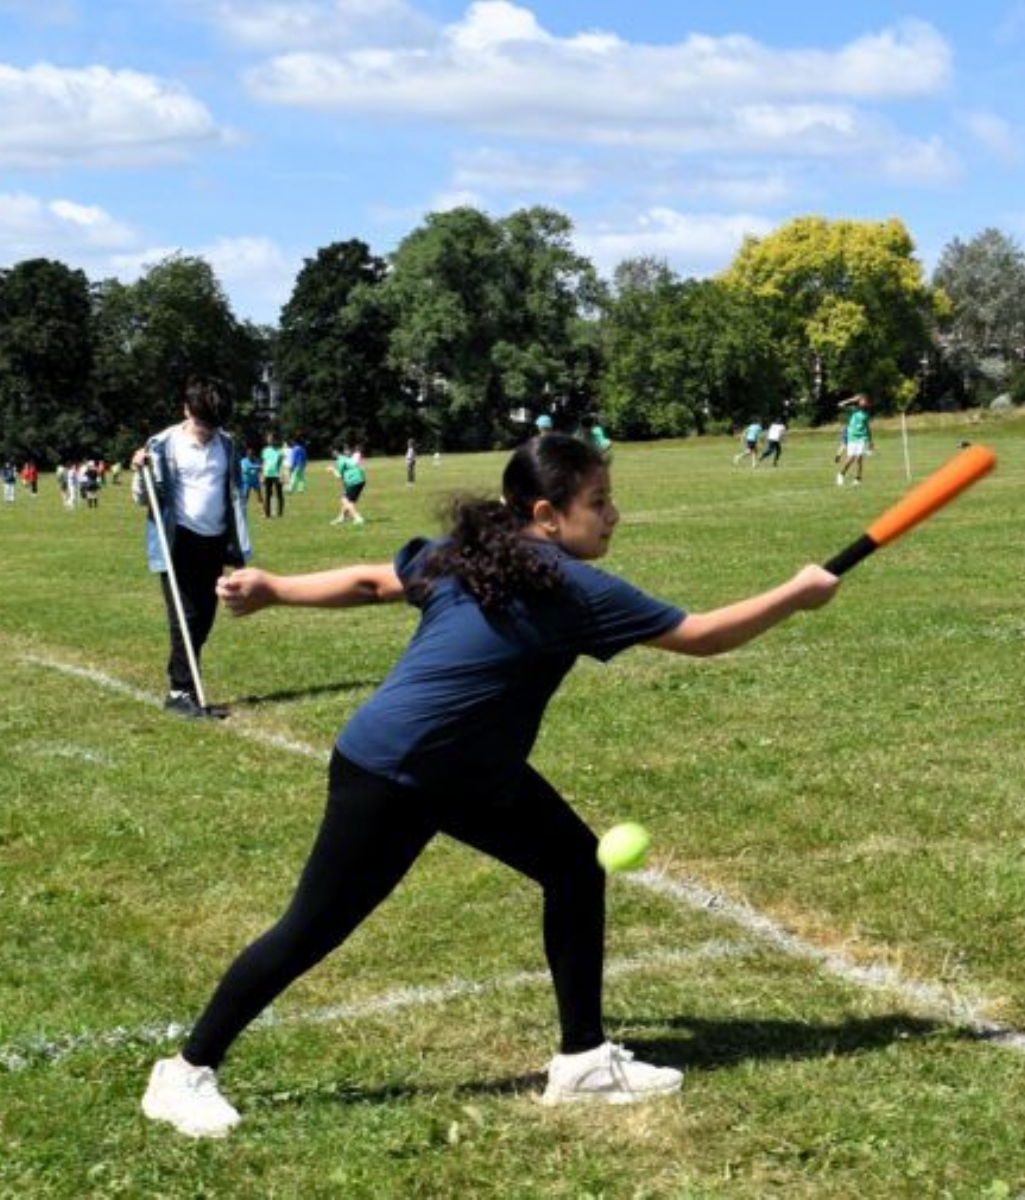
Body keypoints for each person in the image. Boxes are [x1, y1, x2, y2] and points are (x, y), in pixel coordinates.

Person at [139, 433, 840, 1138]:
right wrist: (797, 593)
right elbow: (704, 635)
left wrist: (274, 589)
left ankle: (584, 1060)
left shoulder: (478, 556)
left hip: (474, 771)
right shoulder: (572, 584)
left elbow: (373, 582)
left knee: (572, 866)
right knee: (311, 928)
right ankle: (186, 1070)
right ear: (546, 513)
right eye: (598, 503)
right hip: (398, 770)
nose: (613, 516)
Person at [130, 380, 252, 718]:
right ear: (187, 410)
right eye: (203, 424)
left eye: (214, 425)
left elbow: (234, 495)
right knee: (184, 616)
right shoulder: (162, 445)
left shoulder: (227, 445)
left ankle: (182, 686)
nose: (208, 432)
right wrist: (140, 472)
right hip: (178, 541)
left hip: (214, 542)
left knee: (205, 616)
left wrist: (239, 544)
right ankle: (179, 691)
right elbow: (142, 498)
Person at [836, 395, 873, 486]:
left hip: (862, 438)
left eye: (865, 401)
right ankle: (841, 474)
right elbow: (840, 405)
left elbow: (867, 428)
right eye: (862, 401)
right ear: (859, 402)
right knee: (851, 458)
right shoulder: (853, 410)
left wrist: (870, 441)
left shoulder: (866, 414)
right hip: (852, 437)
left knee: (859, 458)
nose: (863, 403)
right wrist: (851, 399)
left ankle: (858, 478)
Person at [328, 445, 366, 526]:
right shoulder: (346, 458)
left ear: (336, 452)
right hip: (360, 480)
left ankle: (358, 518)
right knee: (347, 499)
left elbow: (339, 476)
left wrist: (332, 469)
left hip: (354, 481)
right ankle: (342, 517)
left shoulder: (340, 460)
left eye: (332, 453)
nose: (332, 455)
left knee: (345, 500)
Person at [260, 434, 285, 518]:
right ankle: (267, 514)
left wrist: (282, 475)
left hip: (277, 475)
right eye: (269, 439)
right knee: (267, 494)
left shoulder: (280, 451)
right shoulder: (265, 451)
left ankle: (280, 513)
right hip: (267, 475)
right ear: (267, 441)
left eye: (272, 439)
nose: (270, 441)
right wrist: (262, 475)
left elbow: (281, 464)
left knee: (279, 494)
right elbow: (263, 463)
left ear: (275, 440)